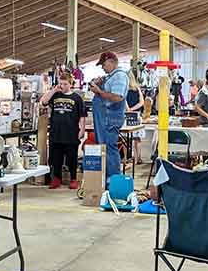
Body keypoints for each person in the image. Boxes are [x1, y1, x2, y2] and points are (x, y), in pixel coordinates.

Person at [40, 73, 85, 190]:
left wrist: (82, 130)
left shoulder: (77, 98)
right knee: (56, 157)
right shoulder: (55, 95)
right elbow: (43, 102)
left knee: (72, 157)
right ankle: (56, 178)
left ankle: (73, 178)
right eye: (60, 83)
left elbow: (82, 116)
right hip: (56, 132)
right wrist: (54, 90)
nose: (62, 86)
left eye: (65, 84)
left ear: (70, 84)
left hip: (71, 133)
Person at [89, 51, 129, 182]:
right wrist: (99, 83)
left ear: (112, 62)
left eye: (104, 64)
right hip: (105, 116)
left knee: (109, 147)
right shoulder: (111, 76)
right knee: (104, 147)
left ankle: (113, 179)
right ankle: (106, 178)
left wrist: (99, 92)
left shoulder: (119, 77)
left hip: (110, 117)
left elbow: (118, 97)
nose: (103, 68)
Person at [126, 71, 145, 164]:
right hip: (137, 115)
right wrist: (133, 109)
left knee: (126, 138)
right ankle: (139, 158)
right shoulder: (137, 89)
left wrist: (128, 109)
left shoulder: (124, 89)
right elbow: (141, 102)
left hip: (125, 115)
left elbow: (123, 101)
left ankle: (127, 158)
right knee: (137, 138)